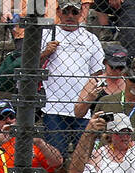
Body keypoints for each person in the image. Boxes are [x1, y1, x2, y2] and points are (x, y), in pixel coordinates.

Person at [40, 1, 105, 160]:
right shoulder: (46, 35)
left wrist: (87, 98)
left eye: (74, 12)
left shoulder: (90, 38)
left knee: (83, 158)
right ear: (58, 12)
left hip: (82, 108)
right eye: (66, 11)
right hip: (53, 107)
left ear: (81, 14)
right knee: (56, 160)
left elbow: (98, 73)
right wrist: (45, 53)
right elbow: (30, 68)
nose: (70, 16)